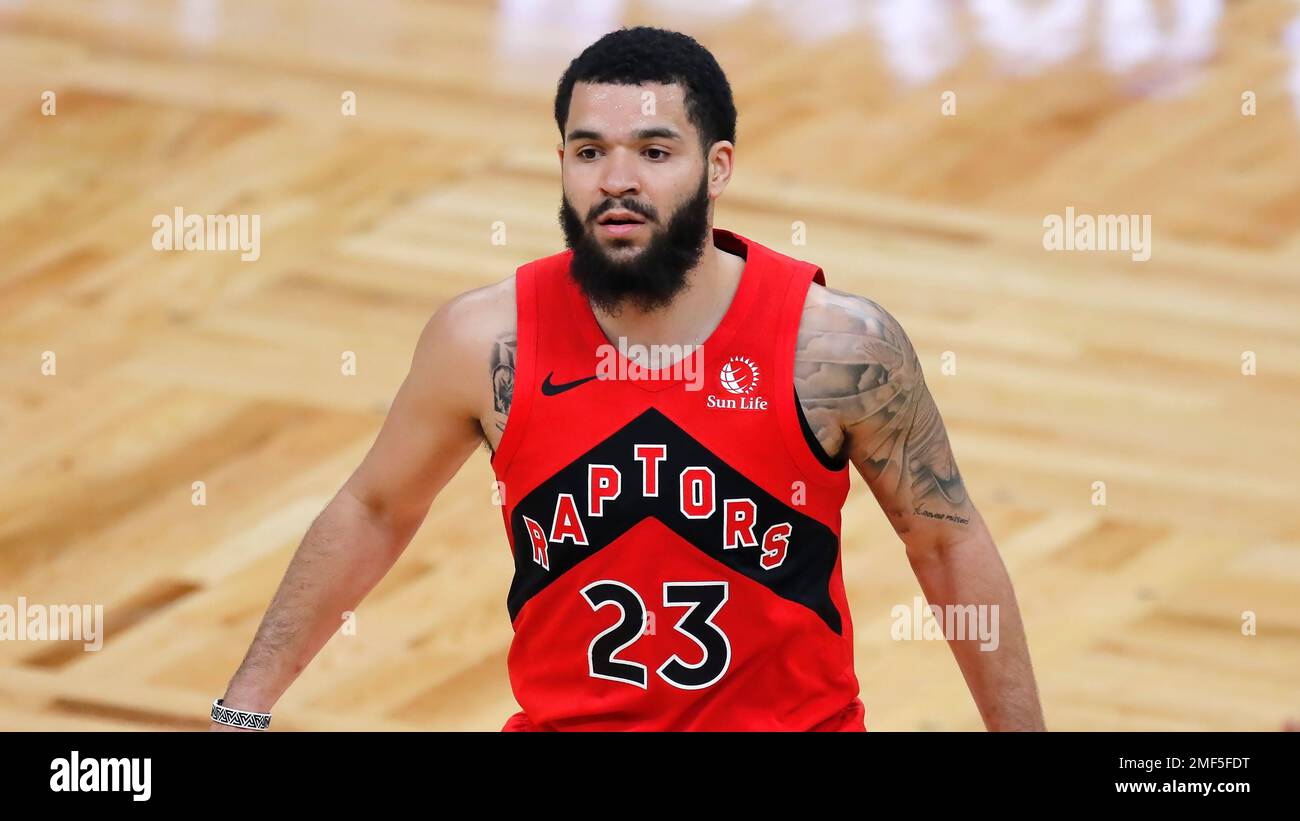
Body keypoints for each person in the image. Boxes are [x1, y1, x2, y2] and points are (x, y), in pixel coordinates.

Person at [211, 26, 1045, 732]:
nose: (617, 180)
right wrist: (242, 710)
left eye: (653, 151)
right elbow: (374, 507)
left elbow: (946, 540)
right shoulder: (482, 340)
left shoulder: (835, 346)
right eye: (589, 151)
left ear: (717, 167)